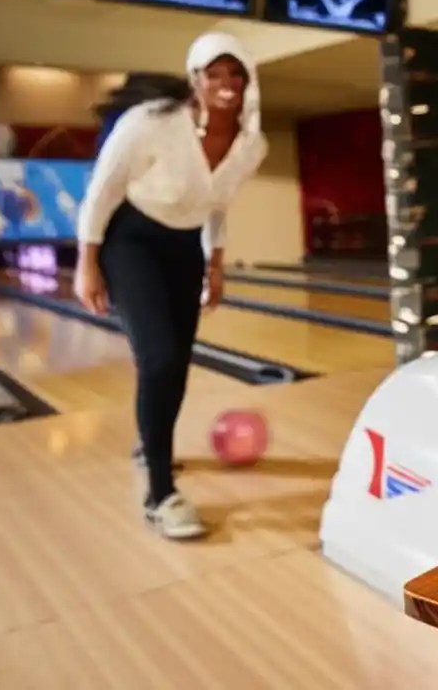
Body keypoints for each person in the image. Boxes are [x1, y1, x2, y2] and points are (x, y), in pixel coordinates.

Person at [73, 32, 269, 540]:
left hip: (184, 247)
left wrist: (216, 264)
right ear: (196, 80)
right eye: (215, 74)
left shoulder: (252, 145)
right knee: (157, 357)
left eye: (236, 74)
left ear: (248, 81)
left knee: (177, 361)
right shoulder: (150, 125)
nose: (226, 84)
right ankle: (161, 492)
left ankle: (150, 441)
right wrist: (87, 264)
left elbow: (217, 205)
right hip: (130, 240)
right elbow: (102, 191)